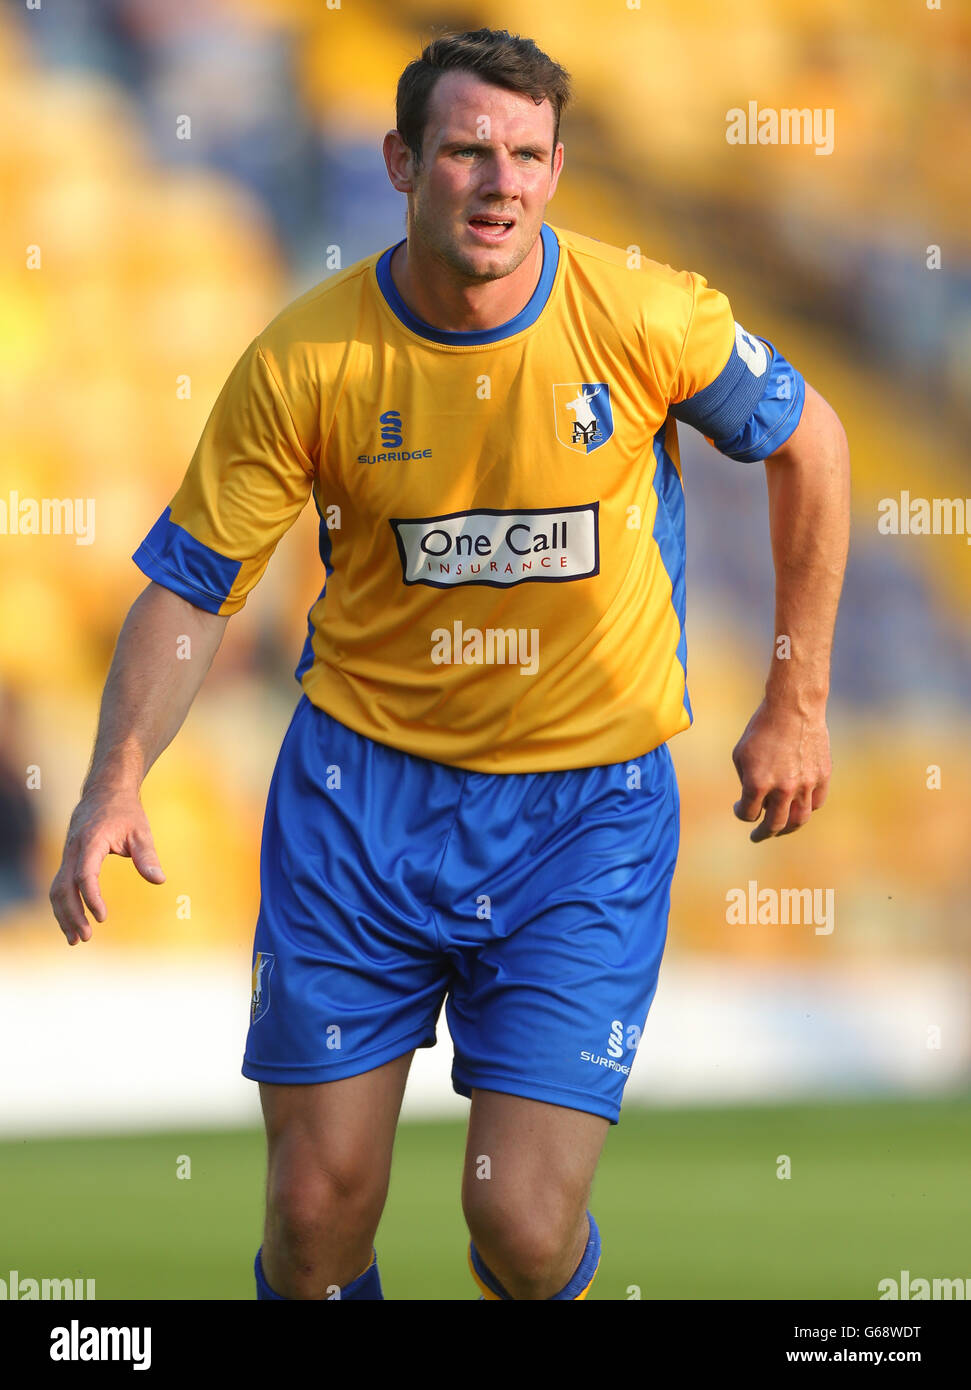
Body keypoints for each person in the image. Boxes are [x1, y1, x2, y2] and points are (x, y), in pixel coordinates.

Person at [49, 27, 850, 1301]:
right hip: (359, 802)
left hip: (583, 814)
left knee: (520, 1227)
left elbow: (811, 439)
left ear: (556, 167)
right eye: (468, 150)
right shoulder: (306, 357)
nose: (499, 182)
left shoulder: (640, 312)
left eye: (527, 154)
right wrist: (118, 775)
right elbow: (195, 585)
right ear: (399, 162)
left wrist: (795, 699)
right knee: (315, 1221)